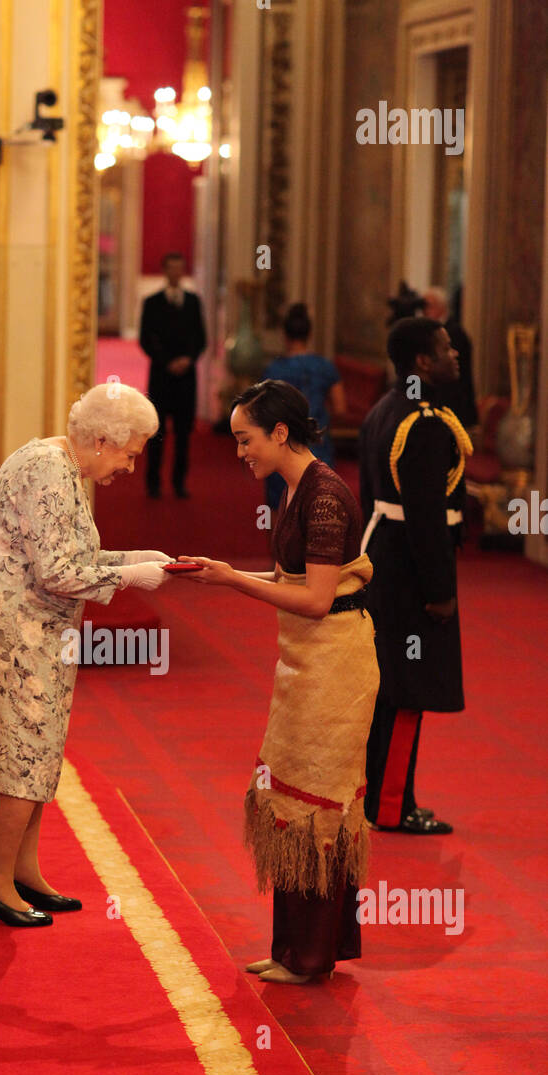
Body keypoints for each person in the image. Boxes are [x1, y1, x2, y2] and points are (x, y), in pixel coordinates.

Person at [0, 383, 171, 927]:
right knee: (26, 750)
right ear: (101, 439)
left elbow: (75, 555)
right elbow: (59, 573)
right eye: (130, 452)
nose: (130, 467)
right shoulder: (49, 468)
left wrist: (134, 559)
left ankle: (23, 870)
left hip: (37, 629)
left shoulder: (63, 463)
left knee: (42, 746)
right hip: (16, 631)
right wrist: (131, 575)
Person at [178, 380, 379, 984]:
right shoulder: (296, 485)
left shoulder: (323, 495)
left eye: (246, 440)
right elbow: (295, 578)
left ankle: (311, 955)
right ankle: (298, 949)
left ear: (281, 432)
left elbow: (315, 600)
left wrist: (230, 582)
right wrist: (226, 571)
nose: (240, 452)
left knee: (316, 800)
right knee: (293, 794)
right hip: (307, 661)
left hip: (334, 665)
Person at [359, 316, 471, 835]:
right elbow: (426, 515)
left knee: (390, 685)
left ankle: (383, 796)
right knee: (409, 688)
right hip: (411, 566)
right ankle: (392, 806)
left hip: (385, 553)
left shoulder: (387, 408)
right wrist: (440, 591)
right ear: (423, 361)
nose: (456, 356)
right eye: (447, 348)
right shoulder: (425, 421)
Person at [261, 302, 346, 511]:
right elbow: (340, 407)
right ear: (309, 334)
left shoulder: (273, 369)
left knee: (279, 513)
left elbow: (262, 414)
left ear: (285, 335)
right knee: (317, 513)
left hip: (281, 451)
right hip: (317, 449)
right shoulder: (325, 367)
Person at [139, 252, 207, 499]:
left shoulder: (193, 302)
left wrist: (187, 360)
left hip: (186, 378)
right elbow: (145, 339)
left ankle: (179, 483)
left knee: (183, 433)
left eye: (180, 267)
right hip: (161, 375)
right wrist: (167, 362)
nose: (176, 272)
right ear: (165, 270)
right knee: (156, 432)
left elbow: (201, 337)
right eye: (171, 268)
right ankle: (153, 483)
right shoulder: (152, 302)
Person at [422, 285, 478, 428]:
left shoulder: (454, 333)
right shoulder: (434, 332)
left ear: (442, 308)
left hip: (453, 406)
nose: (424, 312)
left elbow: (448, 375)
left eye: (429, 306)